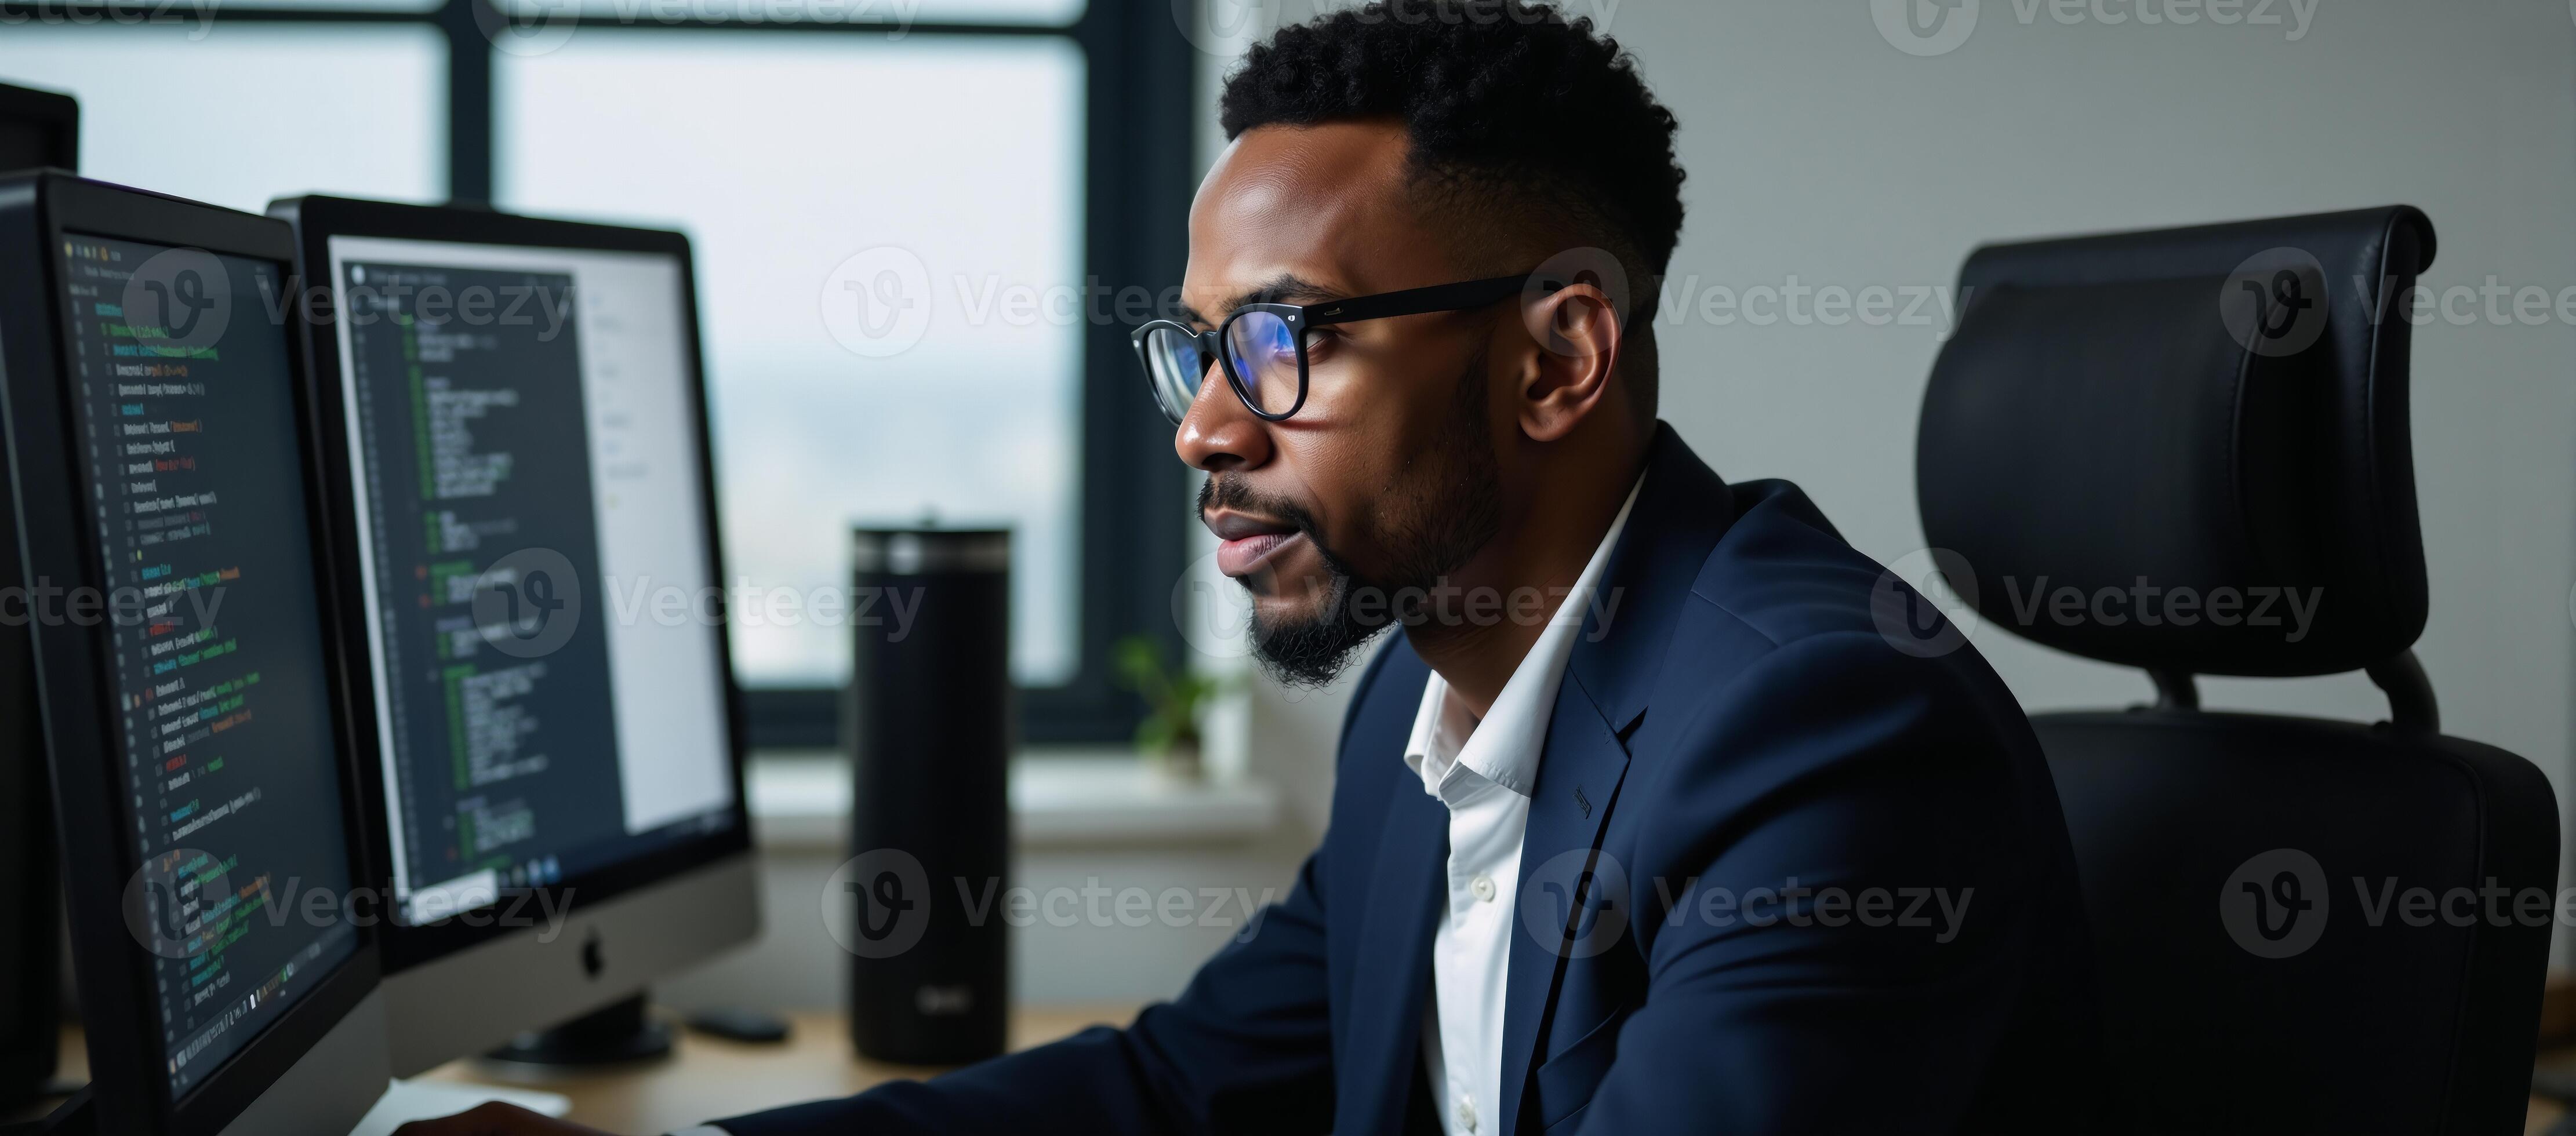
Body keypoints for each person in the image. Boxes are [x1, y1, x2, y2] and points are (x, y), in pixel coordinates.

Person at [402, 2, 2099, 1133]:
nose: (1205, 429)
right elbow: (1184, 1091)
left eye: (1283, 342)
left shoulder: (1824, 730)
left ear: (1555, 359)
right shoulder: (1427, 704)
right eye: (1199, 350)